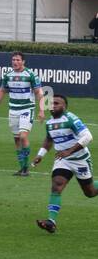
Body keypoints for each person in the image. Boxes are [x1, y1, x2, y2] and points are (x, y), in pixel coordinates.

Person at [33, 94, 96, 232]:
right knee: (56, 186)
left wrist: (70, 151)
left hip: (80, 160)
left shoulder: (71, 119)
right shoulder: (50, 123)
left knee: (90, 192)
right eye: (52, 103)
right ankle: (51, 222)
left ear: (64, 106)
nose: (53, 105)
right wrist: (40, 155)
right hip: (63, 160)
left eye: (57, 103)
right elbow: (49, 140)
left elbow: (88, 136)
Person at [0, 52, 44, 177]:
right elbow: (2, 90)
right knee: (17, 139)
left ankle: (26, 167)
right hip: (13, 109)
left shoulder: (31, 74)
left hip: (27, 109)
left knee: (23, 136)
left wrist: (41, 110)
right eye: (13, 59)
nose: (15, 62)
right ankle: (23, 168)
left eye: (18, 60)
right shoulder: (8, 75)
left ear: (23, 62)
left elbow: (39, 93)